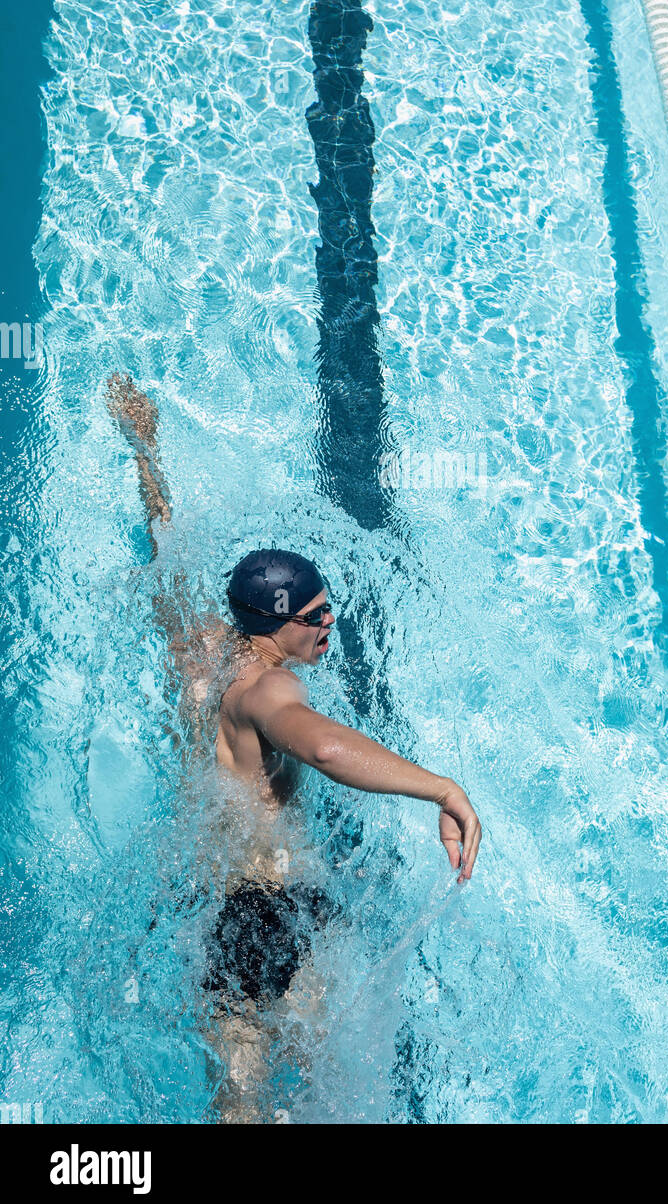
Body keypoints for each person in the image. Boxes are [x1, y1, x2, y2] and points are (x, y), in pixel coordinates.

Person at [106, 374, 481, 1027]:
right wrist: (443, 789)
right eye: (314, 617)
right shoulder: (270, 686)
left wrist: (147, 449)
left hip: (220, 903)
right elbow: (326, 745)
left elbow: (166, 546)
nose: (328, 624)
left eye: (327, 608)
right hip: (284, 899)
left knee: (240, 1101)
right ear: (273, 624)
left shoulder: (195, 649)